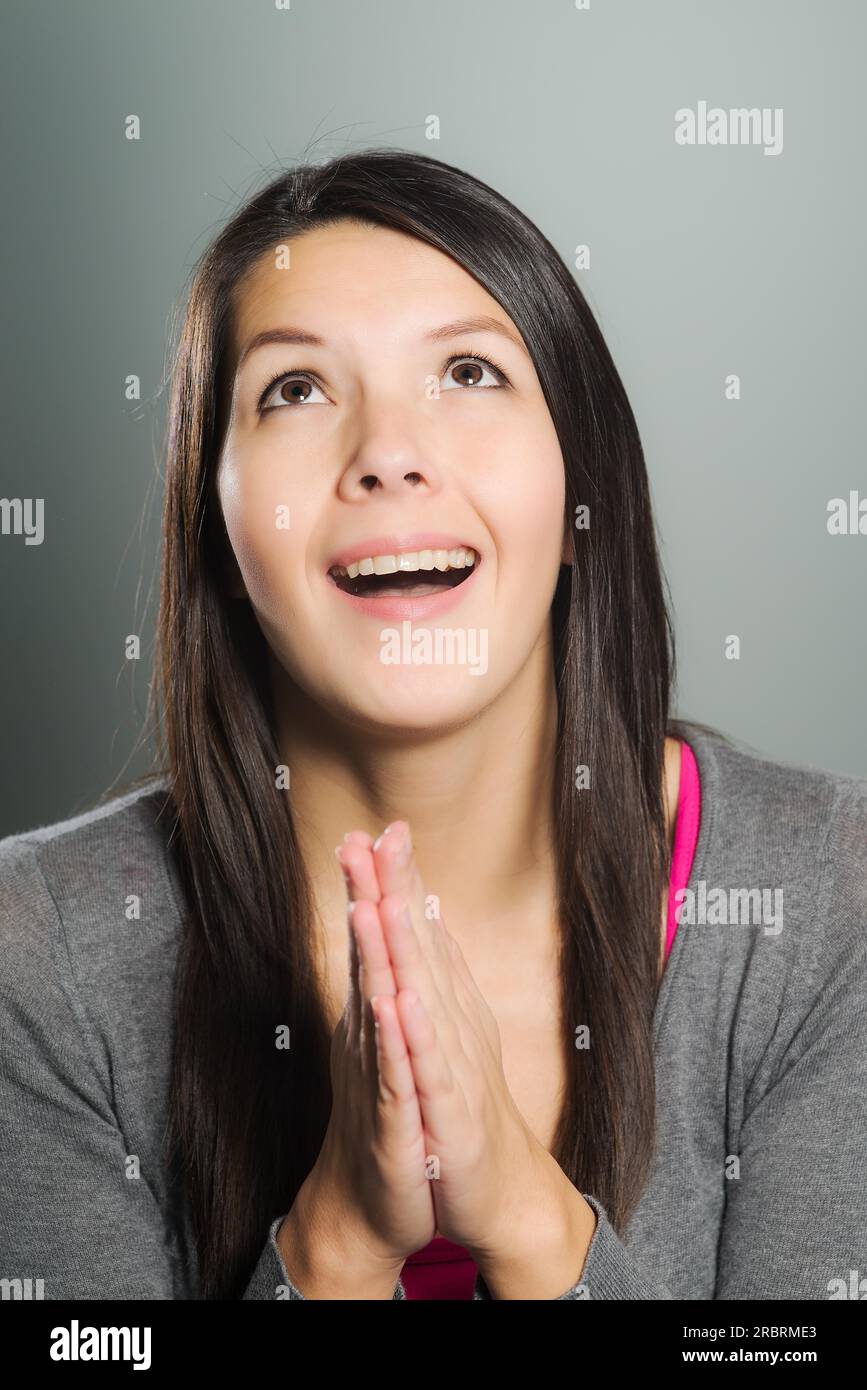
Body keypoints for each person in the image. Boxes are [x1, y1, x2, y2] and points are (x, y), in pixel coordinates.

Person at [1, 149, 865, 1301]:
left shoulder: (825, 902)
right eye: (296, 390)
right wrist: (343, 1239)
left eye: (468, 370)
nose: (389, 454)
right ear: (218, 530)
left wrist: (526, 1216)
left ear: (579, 500)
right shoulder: (35, 961)